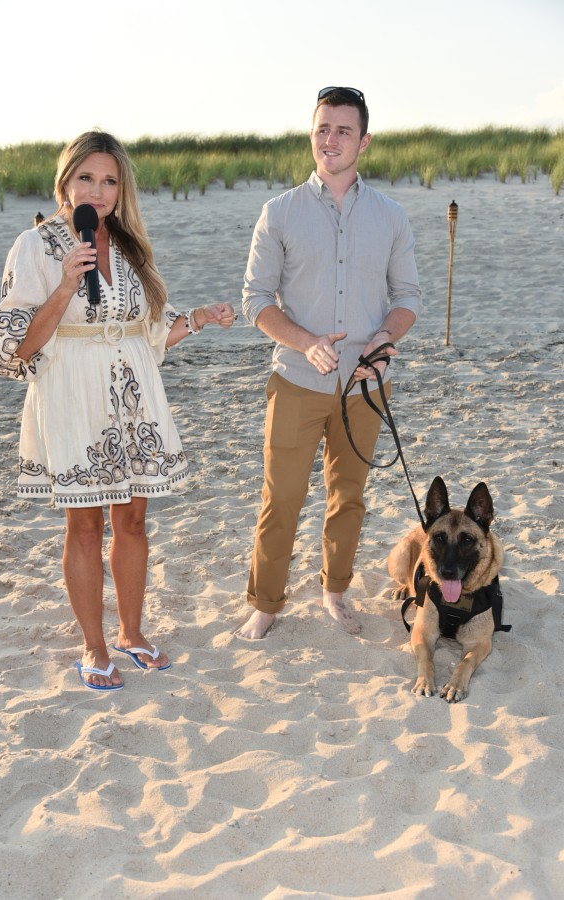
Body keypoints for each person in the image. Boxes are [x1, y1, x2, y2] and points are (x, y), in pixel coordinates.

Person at [0, 130, 235, 689]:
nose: (97, 191)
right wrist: (65, 285)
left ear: (121, 188)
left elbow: (148, 335)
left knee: (133, 520)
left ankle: (130, 632)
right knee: (84, 525)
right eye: (87, 178)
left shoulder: (129, 247)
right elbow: (14, 350)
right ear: (65, 181)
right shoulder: (37, 246)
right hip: (72, 396)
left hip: (134, 396)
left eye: (109, 180)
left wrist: (199, 318)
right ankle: (93, 644)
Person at [239, 87, 422, 640]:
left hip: (365, 386)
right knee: (282, 499)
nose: (331, 139)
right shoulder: (279, 212)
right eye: (323, 128)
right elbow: (256, 301)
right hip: (296, 381)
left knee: (349, 498)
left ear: (363, 140)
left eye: (343, 130)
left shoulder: (391, 217)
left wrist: (383, 341)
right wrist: (304, 341)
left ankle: (335, 592)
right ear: (311, 135)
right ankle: (266, 602)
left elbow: (408, 297)